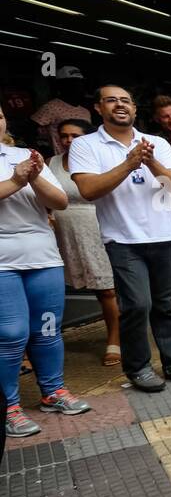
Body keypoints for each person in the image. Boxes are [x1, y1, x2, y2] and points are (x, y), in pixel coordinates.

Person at [68, 84, 171, 393]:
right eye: (111, 100)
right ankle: (138, 368)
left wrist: (150, 161)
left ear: (134, 109)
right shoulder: (86, 145)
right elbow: (88, 190)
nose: (120, 105)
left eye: (126, 100)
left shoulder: (155, 143)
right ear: (98, 108)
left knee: (165, 304)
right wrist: (129, 163)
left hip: (164, 237)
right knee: (137, 305)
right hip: (123, 240)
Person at [2, 111, 92, 439]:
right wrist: (15, 180)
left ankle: (53, 392)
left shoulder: (25, 155)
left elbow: (60, 201)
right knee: (11, 334)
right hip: (2, 264)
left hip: (42, 256)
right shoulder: (17, 165)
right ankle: (9, 406)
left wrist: (35, 175)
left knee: (48, 328)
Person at [48, 118, 121, 367]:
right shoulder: (54, 162)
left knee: (106, 288)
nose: (68, 140)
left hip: (95, 226)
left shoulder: (96, 159)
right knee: (74, 285)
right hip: (64, 230)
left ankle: (115, 339)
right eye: (64, 135)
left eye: (75, 136)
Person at [31, 65, 91, 151]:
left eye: (80, 82)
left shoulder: (85, 112)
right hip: (60, 158)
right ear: (61, 85)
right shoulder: (51, 107)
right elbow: (30, 129)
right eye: (73, 83)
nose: (78, 86)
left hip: (83, 156)